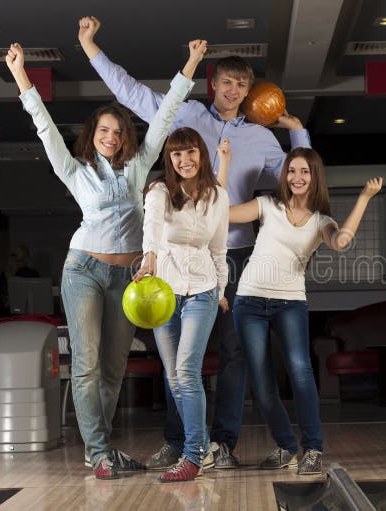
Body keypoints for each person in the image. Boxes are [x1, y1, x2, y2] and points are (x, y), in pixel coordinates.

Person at [78, 15, 312, 470]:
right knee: (176, 354)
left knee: (234, 352)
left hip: (238, 253)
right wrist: (90, 47)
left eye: (241, 85)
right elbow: (130, 92)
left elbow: (296, 180)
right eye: (226, 82)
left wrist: (296, 129)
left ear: (249, 92)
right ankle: (180, 439)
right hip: (174, 255)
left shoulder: (262, 138)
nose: (232, 91)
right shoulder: (182, 115)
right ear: (213, 83)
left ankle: (221, 443)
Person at [4, 38, 204, 480]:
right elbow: (43, 125)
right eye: (103, 131)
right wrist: (21, 74)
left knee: (113, 369)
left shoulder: (138, 166)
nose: (111, 137)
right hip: (84, 272)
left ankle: (103, 450)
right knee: (87, 363)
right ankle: (97, 453)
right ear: (92, 136)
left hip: (127, 277)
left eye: (118, 131)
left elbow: (167, 111)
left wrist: (190, 62)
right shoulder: (74, 169)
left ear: (126, 136)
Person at [218, 147, 382, 475]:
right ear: (285, 176)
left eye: (304, 171)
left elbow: (341, 242)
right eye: (292, 171)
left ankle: (312, 449)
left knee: (301, 373)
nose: (297, 177)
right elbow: (221, 213)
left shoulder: (323, 221)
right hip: (248, 302)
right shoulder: (267, 205)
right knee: (262, 384)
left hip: (290, 302)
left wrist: (364, 198)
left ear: (314, 177)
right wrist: (223, 165)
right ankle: (286, 446)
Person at [134, 131, 229, 482]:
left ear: (200, 154)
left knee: (187, 373)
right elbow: (152, 225)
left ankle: (193, 456)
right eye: (176, 155)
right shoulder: (159, 191)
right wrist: (149, 258)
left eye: (190, 152)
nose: (184, 160)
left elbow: (219, 249)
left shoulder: (218, 195)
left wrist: (221, 288)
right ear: (169, 160)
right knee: (174, 378)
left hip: (202, 292)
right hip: (164, 294)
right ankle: (203, 448)